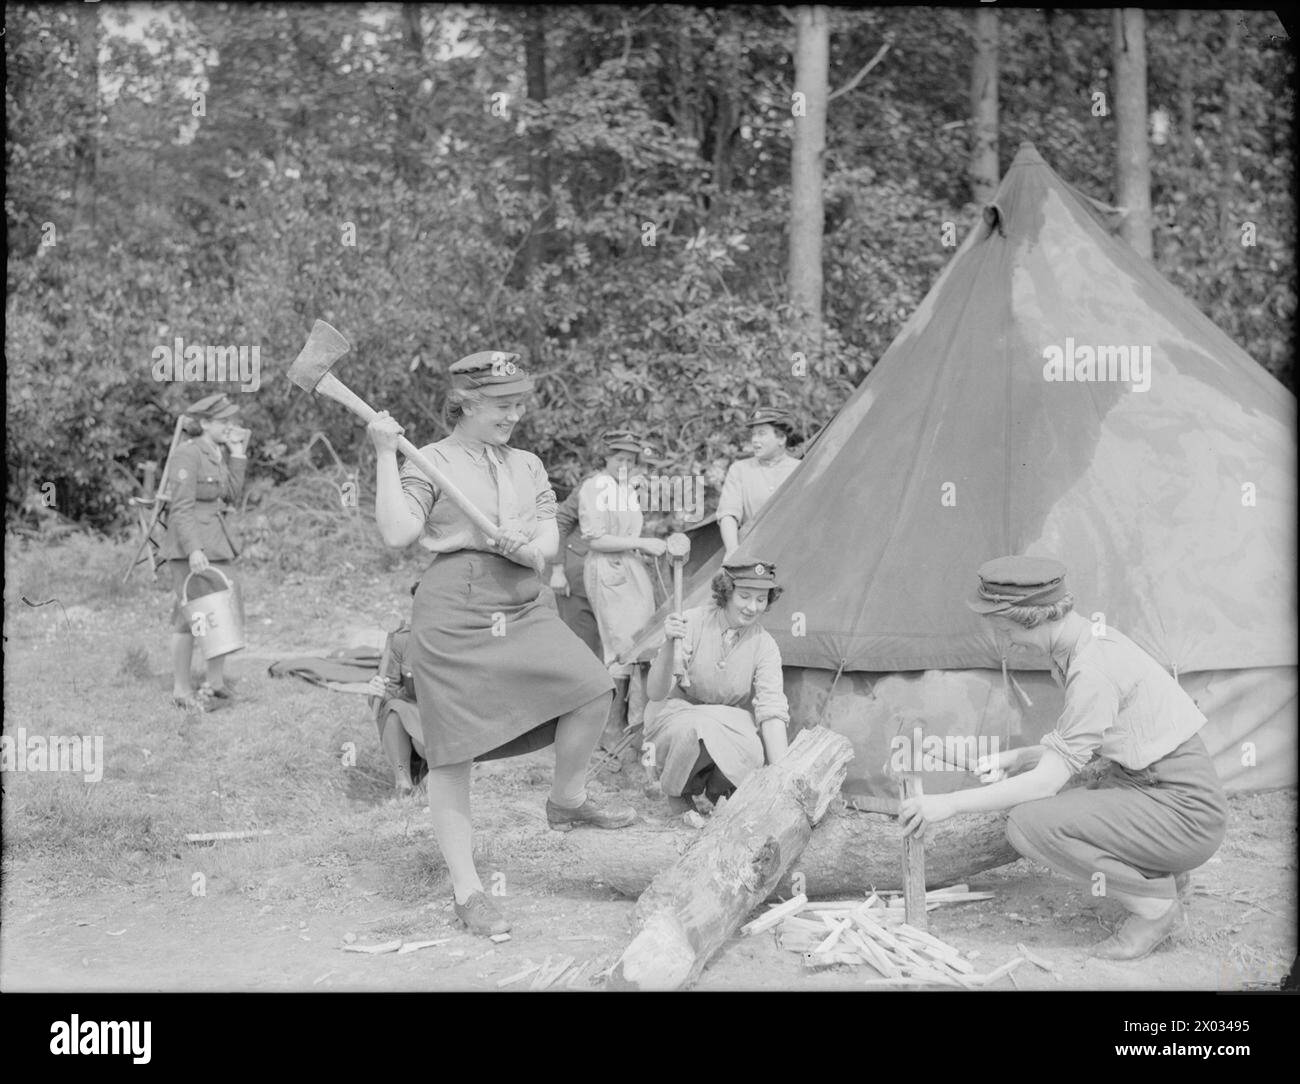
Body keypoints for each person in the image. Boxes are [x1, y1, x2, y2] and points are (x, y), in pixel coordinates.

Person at [366, 351, 636, 938]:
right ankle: (468, 892)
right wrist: (387, 454)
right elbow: (396, 532)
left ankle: (566, 797)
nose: (515, 413)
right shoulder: (429, 460)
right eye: (501, 404)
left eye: (519, 402)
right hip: (453, 608)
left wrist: (526, 543)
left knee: (592, 687)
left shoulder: (529, 465)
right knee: (453, 753)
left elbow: (547, 543)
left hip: (522, 600)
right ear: (464, 402)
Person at [900, 556, 1228, 961]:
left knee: (1028, 825)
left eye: (1003, 628)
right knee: (1066, 795)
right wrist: (1014, 757)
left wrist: (946, 804)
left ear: (1028, 619)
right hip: (1152, 785)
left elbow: (1045, 782)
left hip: (1185, 813)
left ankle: (1155, 908)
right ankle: (1164, 874)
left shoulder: (1092, 669)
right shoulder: (1086, 640)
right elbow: (1090, 741)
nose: (1005, 639)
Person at [643, 560, 790, 812]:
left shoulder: (765, 644)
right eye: (744, 596)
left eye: (761, 599)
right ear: (726, 592)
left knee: (752, 746)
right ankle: (679, 793)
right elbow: (655, 693)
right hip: (678, 714)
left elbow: (772, 709)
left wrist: (784, 776)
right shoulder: (690, 622)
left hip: (729, 720)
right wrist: (669, 646)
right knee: (694, 729)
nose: (752, 607)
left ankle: (720, 793)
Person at [159, 392, 248, 711]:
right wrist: (194, 549)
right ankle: (181, 690)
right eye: (224, 421)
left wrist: (238, 455)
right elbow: (180, 508)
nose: (230, 426)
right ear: (206, 423)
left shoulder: (216, 452)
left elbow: (231, 496)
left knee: (222, 611)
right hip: (191, 547)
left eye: (231, 421)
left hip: (218, 542)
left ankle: (216, 682)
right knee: (189, 617)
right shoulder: (187, 453)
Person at [578, 430, 665, 736]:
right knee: (620, 646)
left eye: (630, 460)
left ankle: (634, 724)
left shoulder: (624, 488)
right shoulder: (594, 487)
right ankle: (610, 728)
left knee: (641, 642)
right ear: (606, 458)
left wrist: (642, 545)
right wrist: (641, 541)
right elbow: (595, 538)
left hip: (630, 567)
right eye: (619, 459)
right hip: (608, 569)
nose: (624, 464)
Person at [717, 407, 801, 561]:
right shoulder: (740, 470)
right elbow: (728, 514)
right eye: (753, 434)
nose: (755, 440)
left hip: (793, 556)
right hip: (752, 556)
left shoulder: (800, 470)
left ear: (781, 438)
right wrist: (732, 549)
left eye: (761, 434)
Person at [366, 605, 429, 796]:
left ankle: (437, 774)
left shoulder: (458, 637)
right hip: (416, 716)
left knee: (425, 745)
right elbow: (387, 695)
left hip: (448, 722)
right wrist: (376, 692)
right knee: (393, 709)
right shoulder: (402, 640)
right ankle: (403, 783)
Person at [547, 481, 602, 658]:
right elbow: (560, 522)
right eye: (620, 459)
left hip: (607, 579)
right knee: (581, 646)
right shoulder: (590, 488)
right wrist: (557, 571)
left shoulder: (627, 493)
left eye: (632, 462)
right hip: (576, 575)